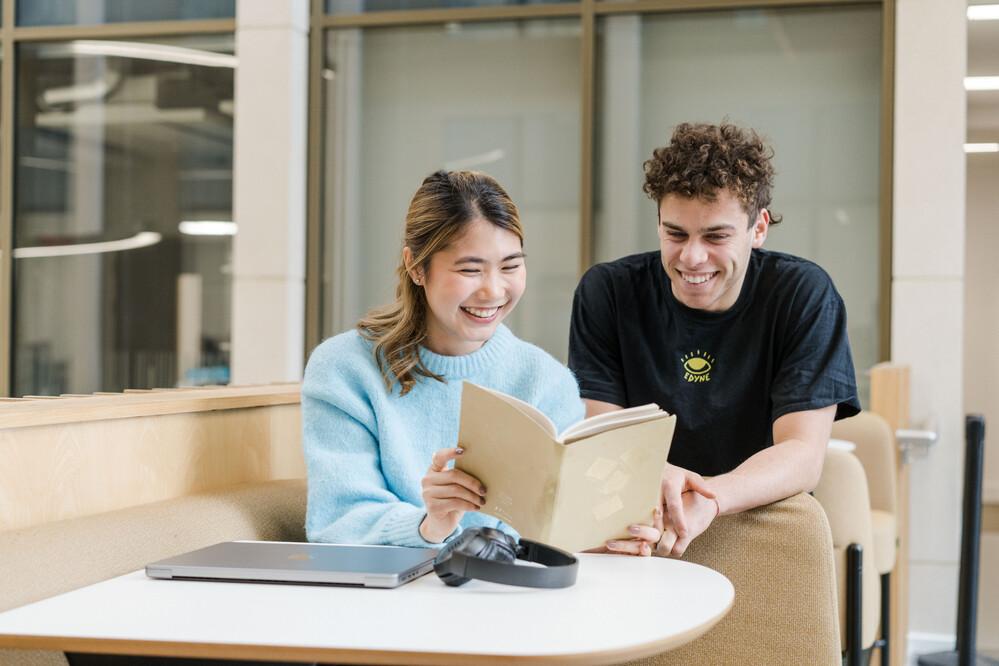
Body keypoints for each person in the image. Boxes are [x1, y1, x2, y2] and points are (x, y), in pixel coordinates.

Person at [303, 170, 663, 554]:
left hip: (513, 600)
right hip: (389, 599)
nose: (494, 290)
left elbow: (559, 529)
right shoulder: (345, 369)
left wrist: (612, 535)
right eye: (470, 269)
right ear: (416, 267)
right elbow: (336, 523)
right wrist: (429, 525)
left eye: (510, 266)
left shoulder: (546, 380)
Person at [568, 122, 861, 557]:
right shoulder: (608, 292)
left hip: (756, 522)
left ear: (758, 228)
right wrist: (654, 479)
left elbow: (802, 453)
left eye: (716, 236)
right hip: (641, 518)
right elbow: (602, 437)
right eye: (676, 233)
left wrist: (708, 498)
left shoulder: (803, 294)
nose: (691, 257)